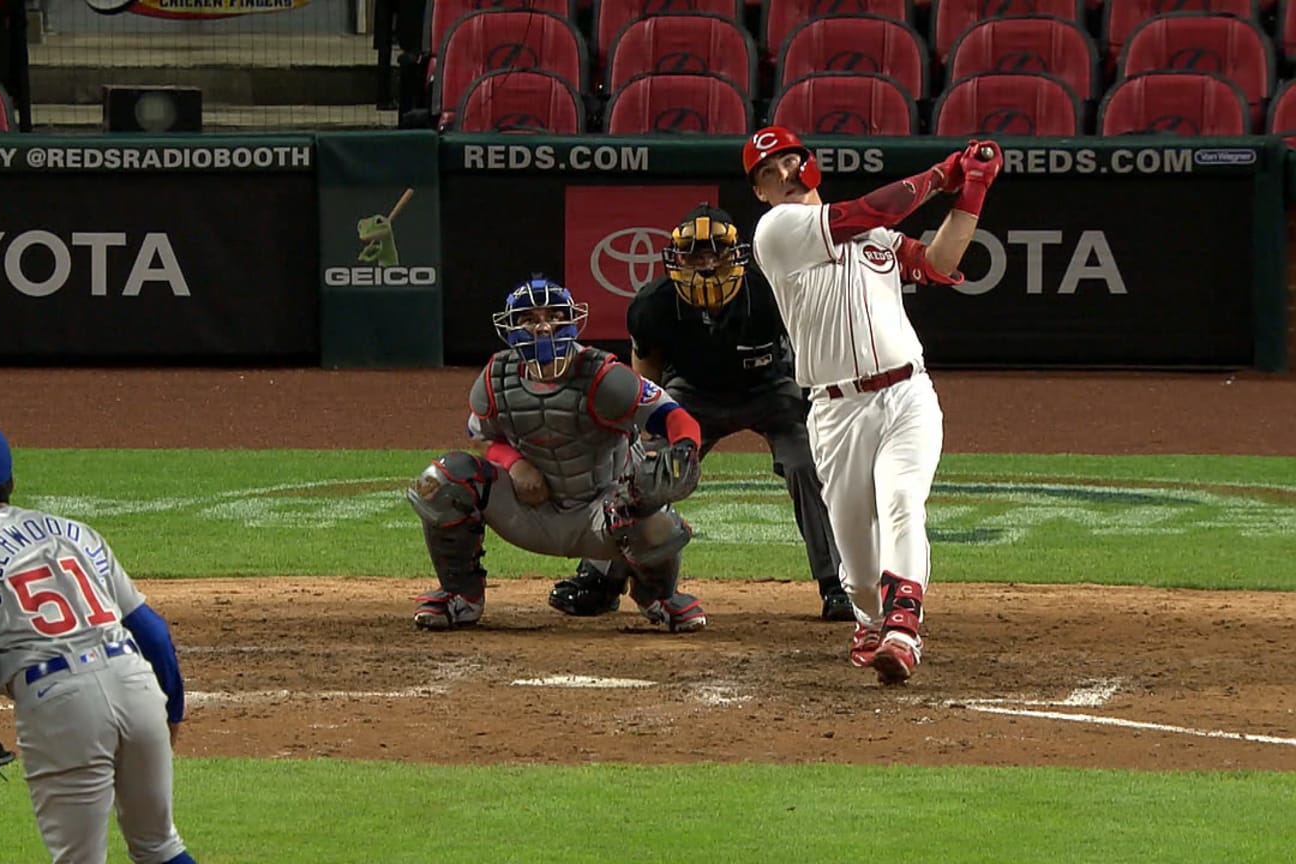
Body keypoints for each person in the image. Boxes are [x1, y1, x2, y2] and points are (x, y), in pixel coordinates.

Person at [743, 127, 1001, 685]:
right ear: (760, 193)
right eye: (769, 172)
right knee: (858, 572)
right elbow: (864, 209)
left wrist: (973, 190)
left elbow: (937, 261)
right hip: (836, 412)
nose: (783, 175)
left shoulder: (876, 238)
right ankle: (869, 618)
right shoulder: (776, 230)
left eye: (790, 161)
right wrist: (940, 175)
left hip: (906, 393)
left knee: (903, 499)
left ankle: (904, 629)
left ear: (809, 164)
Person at [549, 203, 856, 623]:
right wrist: (651, 441)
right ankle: (600, 578)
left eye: (716, 253)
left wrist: (816, 414)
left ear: (737, 257)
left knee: (807, 463)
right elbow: (647, 385)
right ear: (677, 260)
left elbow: (814, 354)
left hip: (772, 390)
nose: (707, 265)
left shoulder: (771, 292)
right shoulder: (652, 306)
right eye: (695, 254)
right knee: (644, 468)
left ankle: (839, 583)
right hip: (691, 395)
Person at [0, 426, 198, 864]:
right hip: (136, 684)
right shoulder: (76, 532)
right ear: (11, 483)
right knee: (160, 846)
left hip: (60, 705)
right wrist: (172, 713)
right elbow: (154, 635)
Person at [405, 275, 709, 633]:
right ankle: (461, 596)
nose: (544, 326)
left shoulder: (604, 377)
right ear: (511, 328)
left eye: (554, 316)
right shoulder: (496, 378)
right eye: (530, 319)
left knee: (655, 512)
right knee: (440, 480)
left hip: (605, 515)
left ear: (571, 323)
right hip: (533, 512)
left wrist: (685, 448)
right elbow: (480, 435)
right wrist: (514, 465)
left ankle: (659, 597)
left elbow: (675, 416)